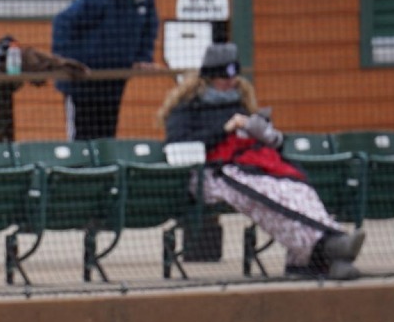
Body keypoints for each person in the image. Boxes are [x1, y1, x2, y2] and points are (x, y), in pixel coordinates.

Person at [157, 43, 367, 280]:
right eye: (223, 77)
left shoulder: (239, 103)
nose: (230, 81)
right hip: (211, 175)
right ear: (209, 77)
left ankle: (322, 251)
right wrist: (224, 129)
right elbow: (177, 144)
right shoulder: (188, 106)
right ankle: (328, 248)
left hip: (249, 165)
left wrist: (258, 128)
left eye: (233, 76)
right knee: (267, 194)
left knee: (295, 187)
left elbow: (270, 142)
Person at [51, 0, 159, 140]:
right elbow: (63, 23)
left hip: (113, 80)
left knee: (107, 138)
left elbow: (149, 28)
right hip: (83, 81)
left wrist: (143, 57)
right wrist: (65, 62)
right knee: (82, 140)